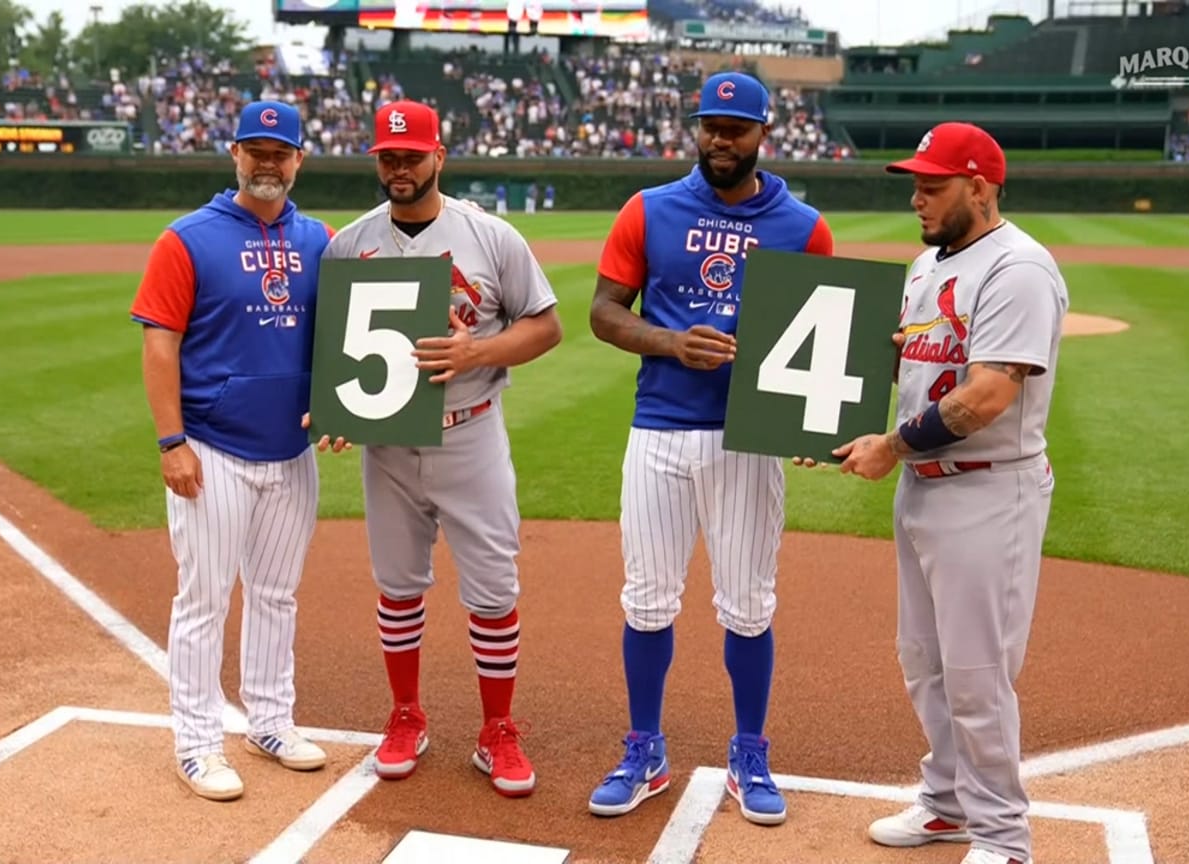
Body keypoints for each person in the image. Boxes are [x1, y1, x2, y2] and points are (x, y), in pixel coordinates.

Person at [812, 121, 1067, 864]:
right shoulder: (929, 268)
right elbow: (914, 369)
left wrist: (890, 445)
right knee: (923, 659)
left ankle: (1002, 840)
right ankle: (948, 805)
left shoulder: (1018, 269)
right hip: (926, 487)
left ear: (980, 187)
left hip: (989, 491)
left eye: (933, 184)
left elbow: (987, 395)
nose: (917, 197)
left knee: (977, 675)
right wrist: (820, 409)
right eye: (915, 182)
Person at [585, 70, 834, 827]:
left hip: (747, 438)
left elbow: (823, 338)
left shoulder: (803, 226)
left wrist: (807, 421)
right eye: (709, 126)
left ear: (764, 133)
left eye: (735, 128)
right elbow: (602, 312)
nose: (720, 140)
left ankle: (749, 749)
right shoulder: (649, 209)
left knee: (749, 606)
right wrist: (667, 341)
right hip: (659, 426)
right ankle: (644, 749)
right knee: (647, 599)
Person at [319, 99, 563, 798]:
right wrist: (339, 406)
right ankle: (405, 716)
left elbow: (545, 326)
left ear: (438, 156)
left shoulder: (490, 237)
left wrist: (477, 350)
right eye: (388, 157)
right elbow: (336, 347)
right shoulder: (350, 244)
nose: (399, 168)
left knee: (492, 590)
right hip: (389, 445)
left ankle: (498, 730)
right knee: (397, 587)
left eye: (411, 156)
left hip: (471, 431)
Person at [129, 101, 336, 802]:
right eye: (256, 149)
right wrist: (171, 440)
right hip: (211, 449)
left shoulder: (321, 241)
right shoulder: (187, 239)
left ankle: (270, 721)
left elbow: (340, 340)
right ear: (235, 156)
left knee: (277, 595)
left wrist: (338, 407)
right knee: (205, 599)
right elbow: (160, 342)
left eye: (280, 151)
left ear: (299, 160)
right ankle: (195, 743)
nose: (267, 161)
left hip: (291, 450)